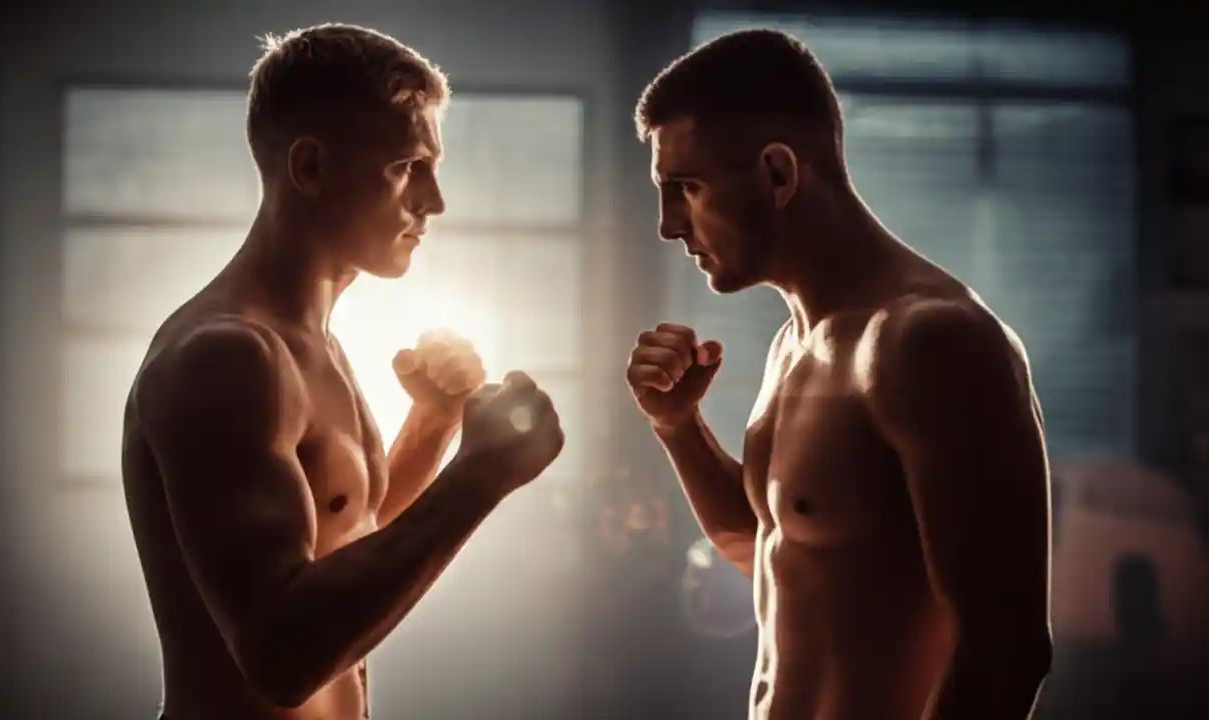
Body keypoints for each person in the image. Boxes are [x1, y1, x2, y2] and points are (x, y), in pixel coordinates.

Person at [121, 24, 564, 719]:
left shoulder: (312, 343)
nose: (435, 202)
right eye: (408, 167)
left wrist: (432, 427)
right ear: (310, 167)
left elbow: (342, 542)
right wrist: (479, 478)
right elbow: (280, 656)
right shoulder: (227, 357)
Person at [625, 29, 1052, 720]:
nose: (668, 225)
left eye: (688, 188)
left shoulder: (929, 341)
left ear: (778, 173)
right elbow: (778, 548)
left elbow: (1006, 650)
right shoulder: (796, 342)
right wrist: (678, 428)